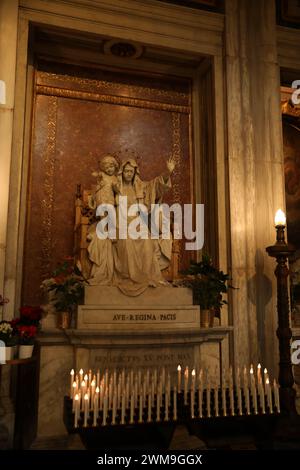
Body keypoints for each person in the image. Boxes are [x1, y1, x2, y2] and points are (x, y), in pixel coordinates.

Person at [112, 157, 175, 296]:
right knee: (127, 242)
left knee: (147, 242)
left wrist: (167, 173)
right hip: (121, 224)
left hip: (138, 223)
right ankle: (133, 277)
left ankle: (147, 277)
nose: (128, 174)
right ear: (122, 172)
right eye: (126, 171)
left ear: (135, 173)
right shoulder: (116, 187)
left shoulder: (141, 187)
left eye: (131, 171)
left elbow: (156, 186)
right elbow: (102, 200)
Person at [87, 155, 119, 285]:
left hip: (110, 201)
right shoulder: (102, 176)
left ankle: (110, 231)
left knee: (110, 215)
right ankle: (105, 229)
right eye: (107, 167)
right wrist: (98, 177)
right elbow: (96, 183)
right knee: (103, 217)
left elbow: (118, 191)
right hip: (101, 200)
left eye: (111, 166)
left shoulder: (115, 179)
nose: (109, 169)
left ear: (115, 167)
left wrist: (117, 187)